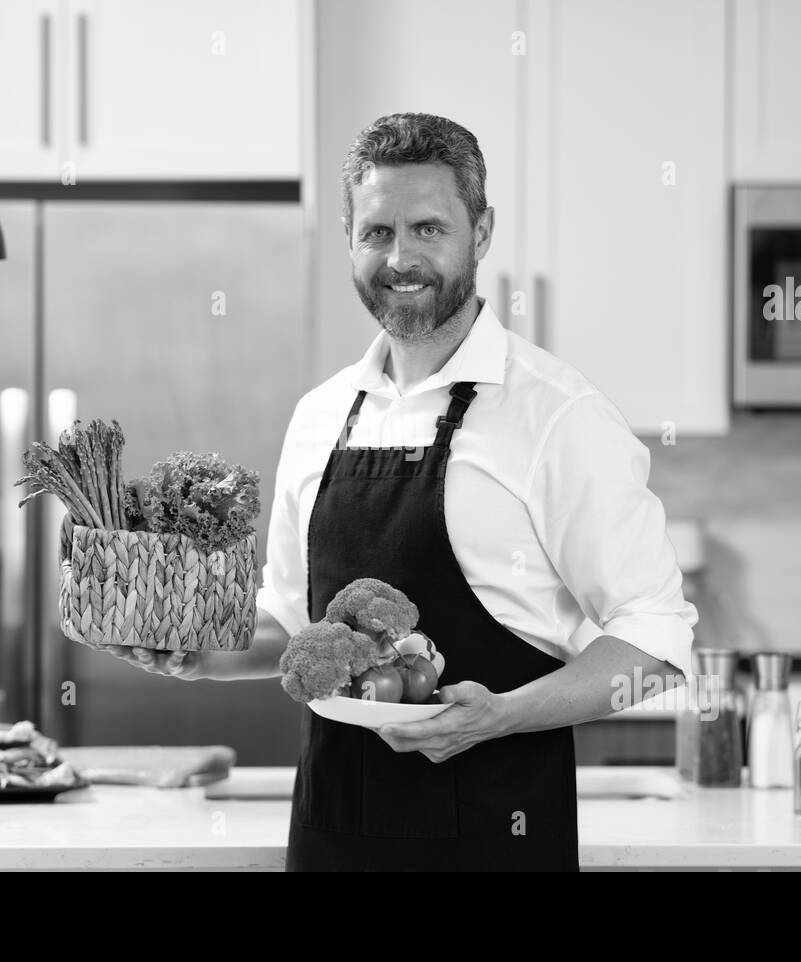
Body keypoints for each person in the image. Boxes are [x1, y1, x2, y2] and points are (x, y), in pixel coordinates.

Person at [101, 112, 696, 871]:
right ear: (349, 238)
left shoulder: (556, 414)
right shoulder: (320, 416)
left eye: (428, 228)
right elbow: (293, 618)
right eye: (378, 231)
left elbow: (659, 646)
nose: (401, 257)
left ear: (480, 234)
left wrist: (503, 717)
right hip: (336, 834)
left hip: (495, 838)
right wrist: (199, 649)